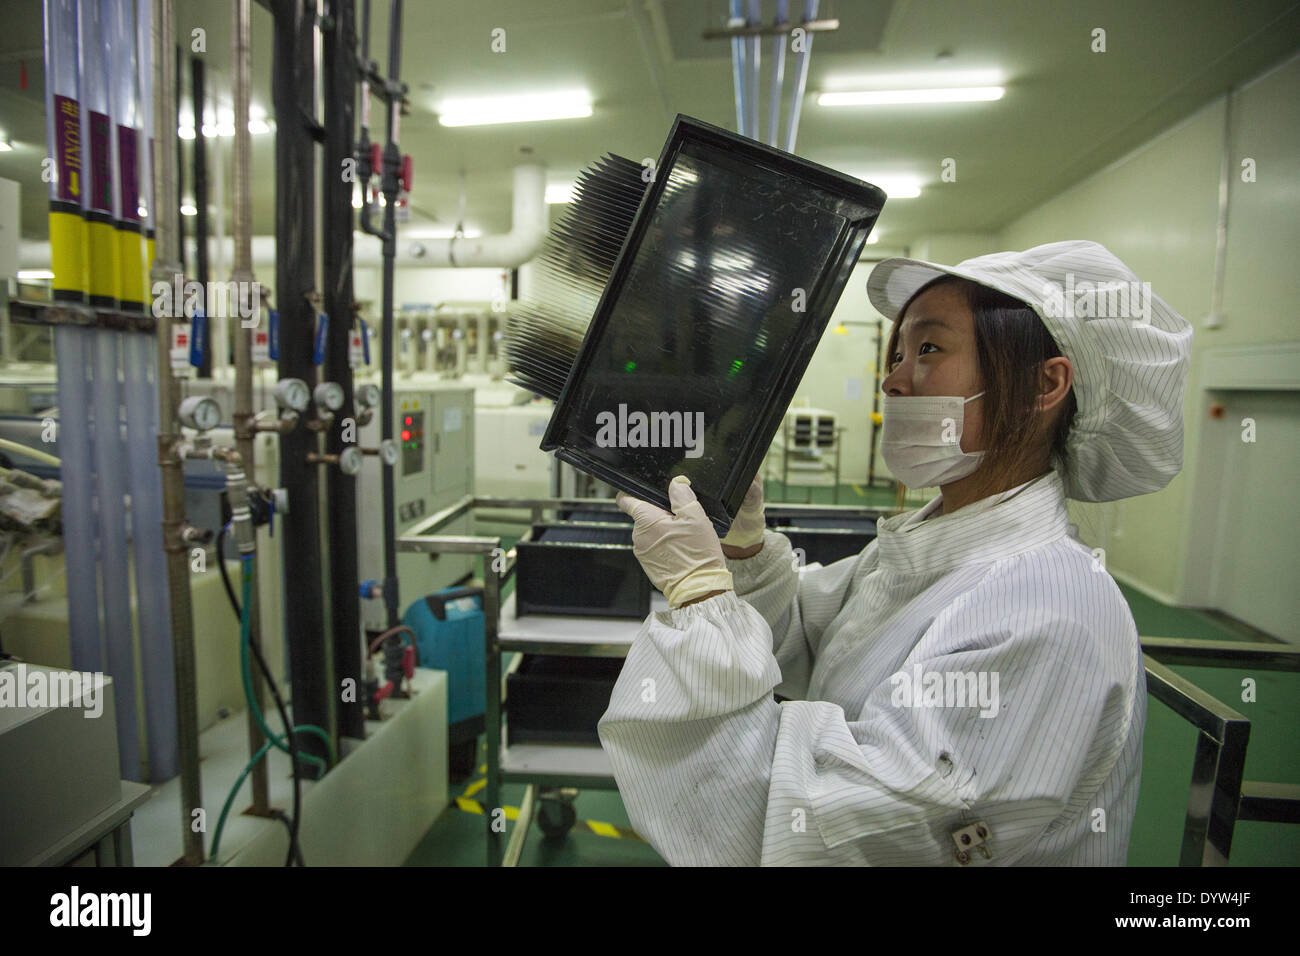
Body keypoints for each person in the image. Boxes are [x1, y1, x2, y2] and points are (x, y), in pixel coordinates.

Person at [597, 240, 1193, 866]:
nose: (893, 377)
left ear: (1045, 385)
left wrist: (702, 599)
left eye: (929, 349)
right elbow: (805, 635)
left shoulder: (1048, 613)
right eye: (898, 351)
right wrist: (742, 552)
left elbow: (823, 832)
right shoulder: (927, 548)